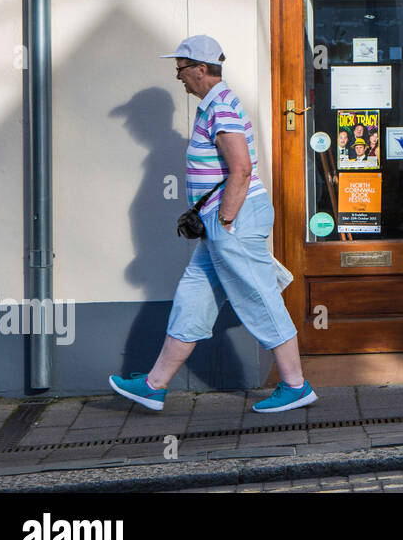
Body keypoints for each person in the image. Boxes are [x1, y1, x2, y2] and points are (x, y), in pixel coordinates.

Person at [110, 35, 317, 413]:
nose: (179, 77)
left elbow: (241, 168)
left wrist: (223, 220)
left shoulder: (221, 107)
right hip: (222, 223)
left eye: (181, 69)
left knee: (258, 297)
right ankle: (154, 385)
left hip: (232, 220)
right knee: (193, 298)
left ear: (201, 69)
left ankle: (295, 385)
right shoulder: (214, 106)